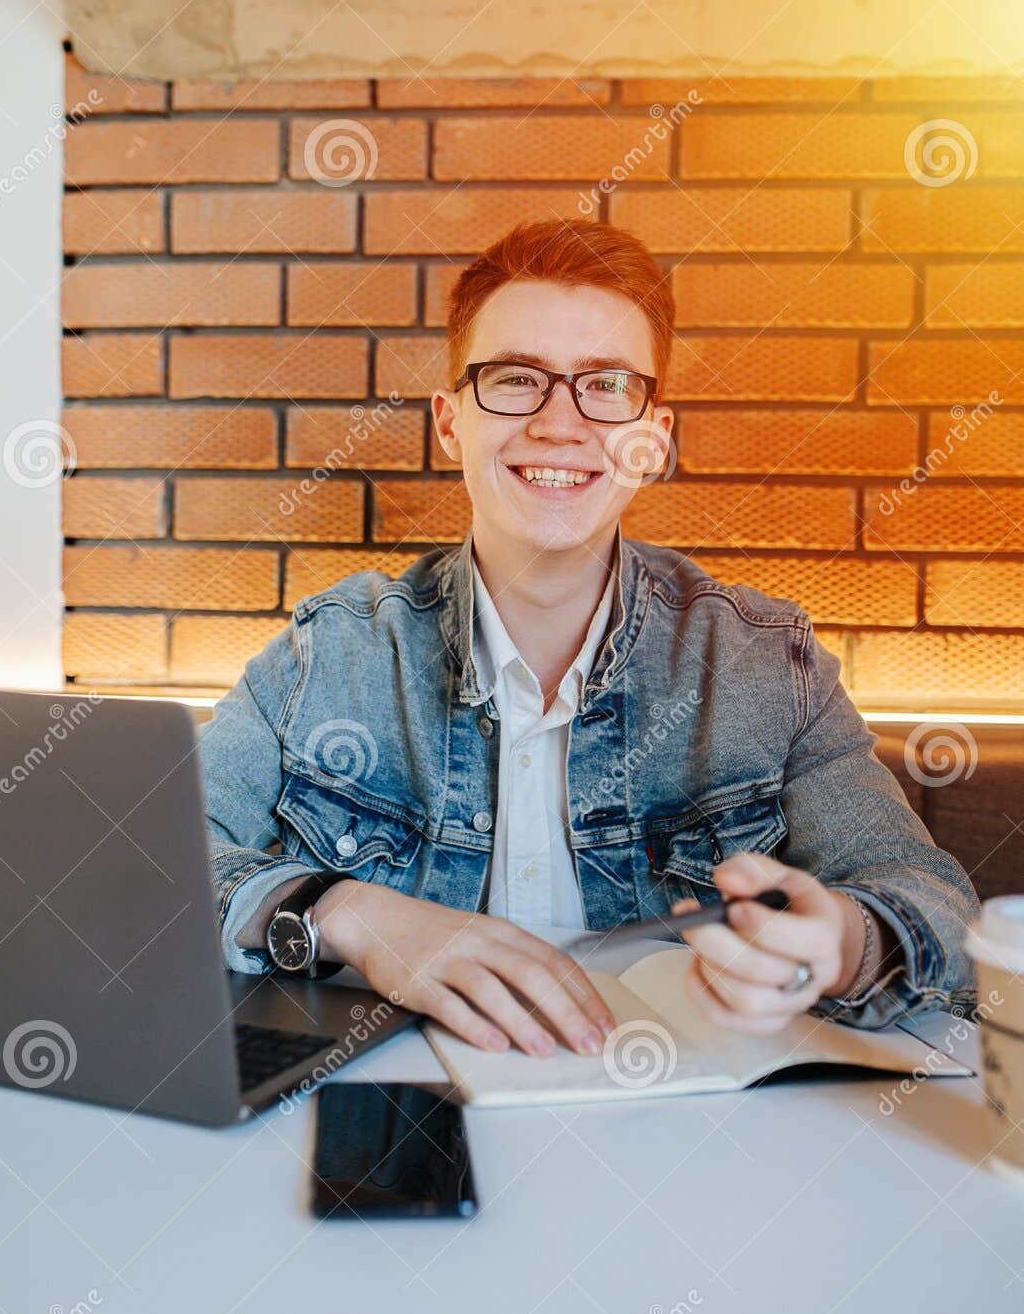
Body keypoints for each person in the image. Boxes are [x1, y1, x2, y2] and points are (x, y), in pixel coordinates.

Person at [197, 218, 977, 1057]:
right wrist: (346, 912)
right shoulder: (329, 655)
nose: (560, 424)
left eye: (605, 384)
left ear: (653, 438)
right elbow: (139, 865)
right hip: (405, 1125)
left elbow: (929, 899)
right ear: (450, 423)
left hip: (696, 1144)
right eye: (515, 378)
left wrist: (846, 944)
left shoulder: (766, 664)